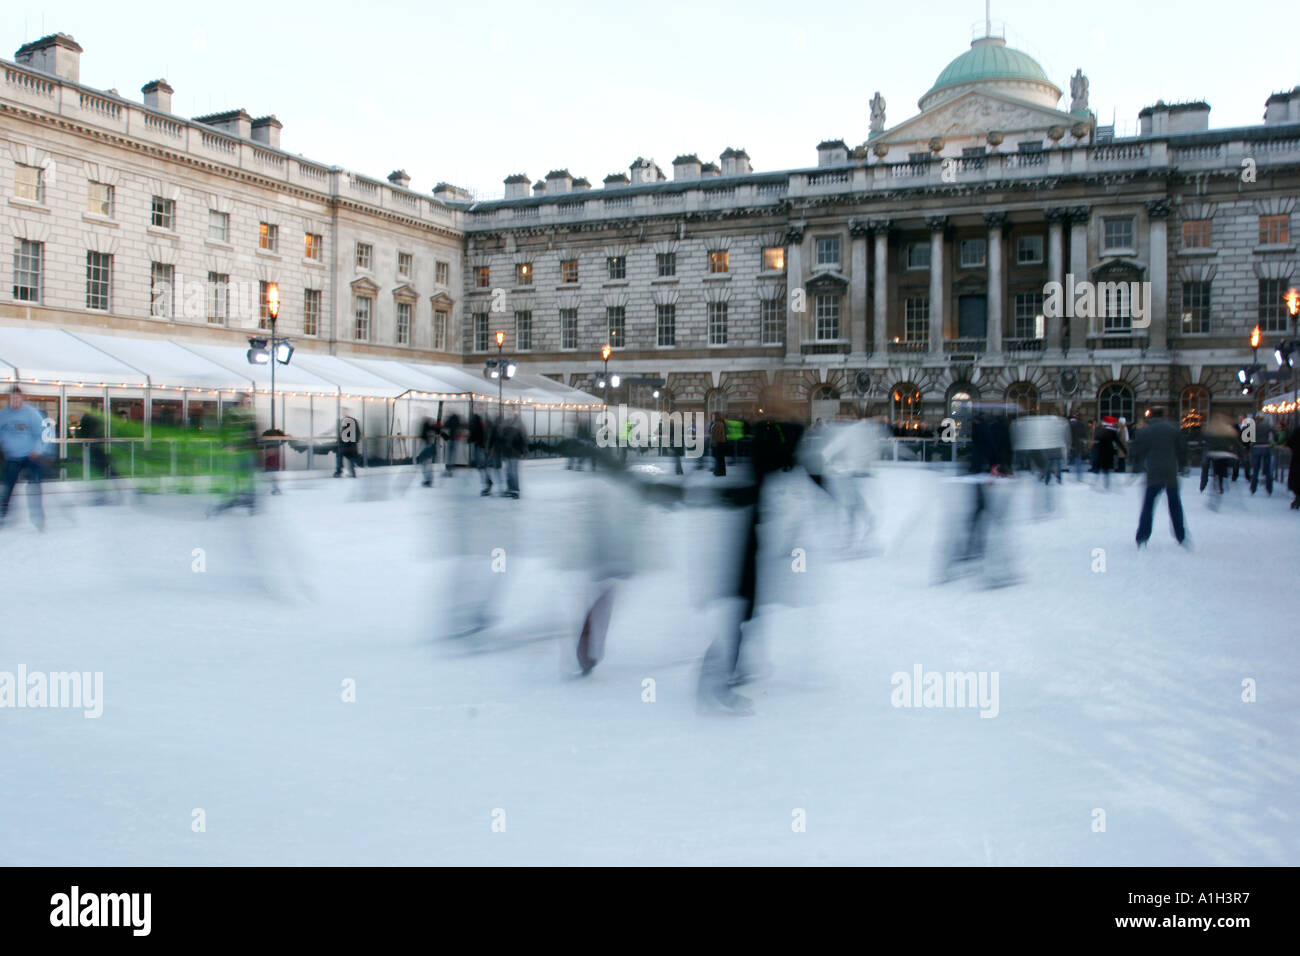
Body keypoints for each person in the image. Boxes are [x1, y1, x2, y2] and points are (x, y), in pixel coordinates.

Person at [1130, 407, 1188, 547]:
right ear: (1164, 415)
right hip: (1170, 471)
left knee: (1148, 506)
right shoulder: (1173, 430)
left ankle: (1142, 536)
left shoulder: (1146, 431)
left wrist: (1136, 466)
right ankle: (1181, 536)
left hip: (1154, 472)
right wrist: (1182, 465)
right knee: (1174, 505)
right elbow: (1182, 449)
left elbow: (1137, 450)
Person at [0, 387, 47, 530]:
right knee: (8, 487)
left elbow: (42, 433)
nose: (15, 401)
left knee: (34, 486)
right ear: (9, 399)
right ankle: (2, 514)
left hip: (30, 456)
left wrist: (38, 450)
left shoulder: (31, 413)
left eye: (17, 398)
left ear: (22, 398)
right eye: (12, 398)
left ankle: (38, 517)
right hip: (13, 457)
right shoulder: (4, 414)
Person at [1094, 416, 1124, 490]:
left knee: (1101, 468)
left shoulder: (1101, 431)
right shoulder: (1112, 432)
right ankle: (1106, 484)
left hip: (1101, 452)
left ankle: (1097, 483)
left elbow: (1097, 440)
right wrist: (1124, 450)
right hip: (1108, 452)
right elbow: (1118, 442)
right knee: (1106, 469)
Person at [1249, 413, 1275, 495]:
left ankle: (1253, 488)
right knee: (1267, 469)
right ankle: (1269, 488)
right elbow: (1275, 433)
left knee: (1255, 469)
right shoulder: (1267, 425)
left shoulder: (1254, 426)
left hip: (1256, 447)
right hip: (1266, 447)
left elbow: (1248, 436)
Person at [334, 410, 362, 478]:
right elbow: (358, 433)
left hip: (345, 444)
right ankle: (352, 472)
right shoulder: (354, 421)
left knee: (340, 456)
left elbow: (343, 434)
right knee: (350, 458)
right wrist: (355, 442)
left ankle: (339, 472)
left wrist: (340, 441)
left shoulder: (344, 421)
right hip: (351, 445)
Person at [417, 416, 440, 487]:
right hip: (426, 445)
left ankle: (428, 480)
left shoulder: (426, 426)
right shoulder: (428, 427)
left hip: (426, 446)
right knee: (426, 464)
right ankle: (429, 479)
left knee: (425, 464)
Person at [710, 412, 727, 477]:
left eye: (713, 416)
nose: (713, 418)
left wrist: (713, 443)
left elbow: (715, 435)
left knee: (718, 458)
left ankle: (718, 471)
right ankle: (721, 471)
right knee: (721, 458)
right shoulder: (721, 423)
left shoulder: (717, 424)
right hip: (721, 443)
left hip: (718, 443)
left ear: (716, 417)